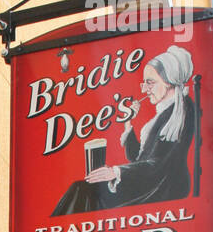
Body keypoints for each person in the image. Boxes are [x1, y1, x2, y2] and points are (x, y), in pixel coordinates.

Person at [51, 44, 196, 215]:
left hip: (161, 189)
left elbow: (157, 165)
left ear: (169, 81)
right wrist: (129, 121)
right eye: (144, 83)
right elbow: (137, 158)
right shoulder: (166, 111)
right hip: (149, 183)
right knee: (82, 189)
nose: (144, 89)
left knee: (85, 191)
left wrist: (114, 172)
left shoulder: (180, 111)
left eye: (150, 83)